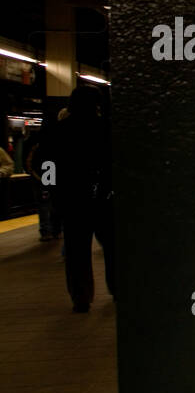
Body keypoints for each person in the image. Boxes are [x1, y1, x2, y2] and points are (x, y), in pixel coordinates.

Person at [45, 86, 115, 312]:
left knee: (76, 252)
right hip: (104, 199)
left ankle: (81, 296)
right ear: (97, 104)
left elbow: (45, 164)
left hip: (72, 200)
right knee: (113, 248)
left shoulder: (57, 130)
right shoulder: (106, 128)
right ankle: (116, 289)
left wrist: (53, 191)